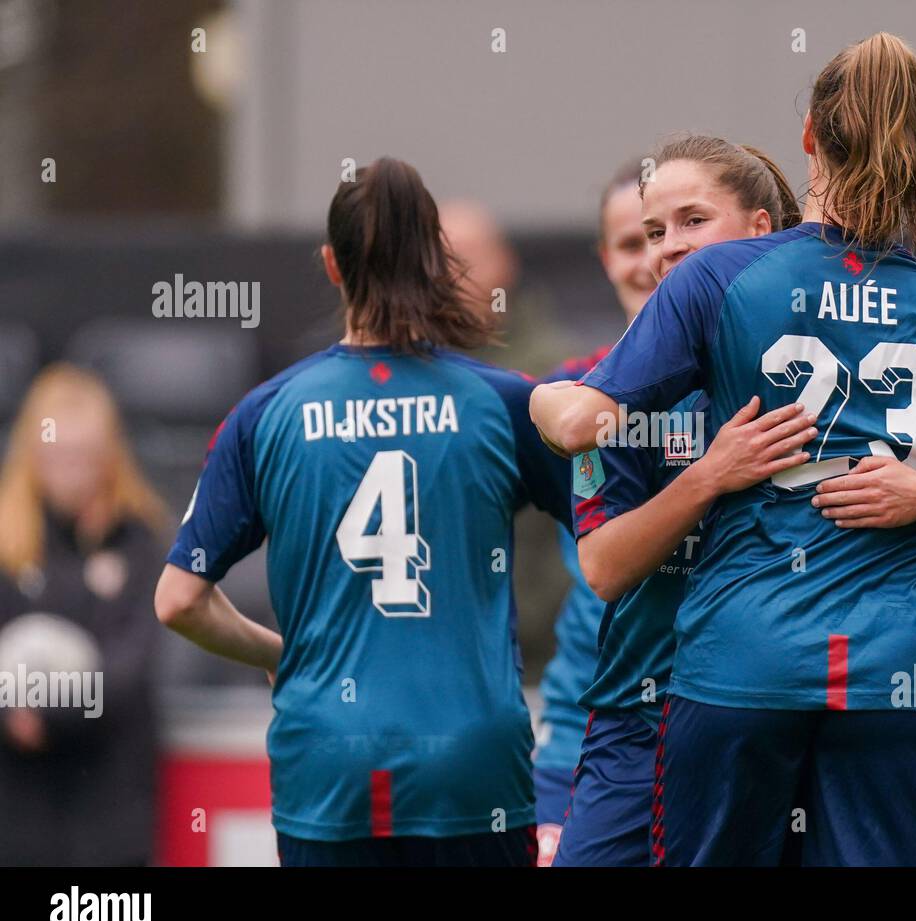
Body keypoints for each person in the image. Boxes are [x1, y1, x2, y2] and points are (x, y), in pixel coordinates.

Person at [531, 34, 916, 866]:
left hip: (742, 659)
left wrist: (536, 392)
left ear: (809, 137)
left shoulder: (723, 282)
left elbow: (575, 427)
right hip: (897, 667)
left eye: (688, 224)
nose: (668, 249)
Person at [154, 157, 570, 867]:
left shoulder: (266, 414)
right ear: (437, 264)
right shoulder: (506, 404)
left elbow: (179, 600)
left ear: (331, 265)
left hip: (329, 769)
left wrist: (281, 655)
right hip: (472, 768)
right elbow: (613, 546)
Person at [552, 136, 815, 867]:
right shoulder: (616, 387)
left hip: (779, 716)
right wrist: (708, 477)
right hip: (642, 718)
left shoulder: (820, 368)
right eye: (651, 233)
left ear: (762, 229)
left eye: (692, 222)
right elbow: (602, 569)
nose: (665, 251)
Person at [530, 158, 657, 866]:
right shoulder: (564, 396)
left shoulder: (753, 392)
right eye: (629, 243)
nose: (648, 261)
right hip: (583, 734)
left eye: (661, 237)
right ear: (605, 258)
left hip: (723, 730)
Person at [0, 363, 168, 866]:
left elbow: (129, 666)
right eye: (58, 457)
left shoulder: (139, 540)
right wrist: (13, 715)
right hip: (17, 810)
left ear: (109, 457)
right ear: (32, 455)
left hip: (110, 810)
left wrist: (46, 713)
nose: (72, 472)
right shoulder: (7, 543)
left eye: (84, 457)